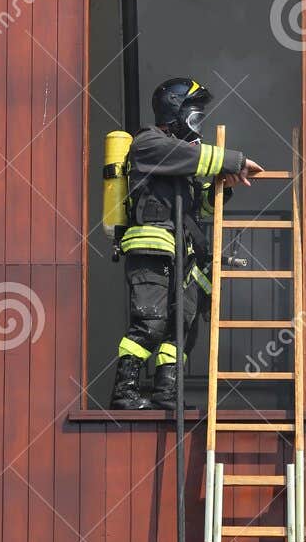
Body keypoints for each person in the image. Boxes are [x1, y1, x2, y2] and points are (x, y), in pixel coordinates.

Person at [109, 78, 263, 410]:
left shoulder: (181, 163)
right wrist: (233, 160)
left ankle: (167, 393)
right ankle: (125, 391)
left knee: (180, 328)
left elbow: (199, 210)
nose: (198, 124)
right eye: (194, 116)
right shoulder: (148, 144)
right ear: (175, 112)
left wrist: (223, 187)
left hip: (183, 256)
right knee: (150, 323)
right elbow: (187, 155)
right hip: (153, 250)